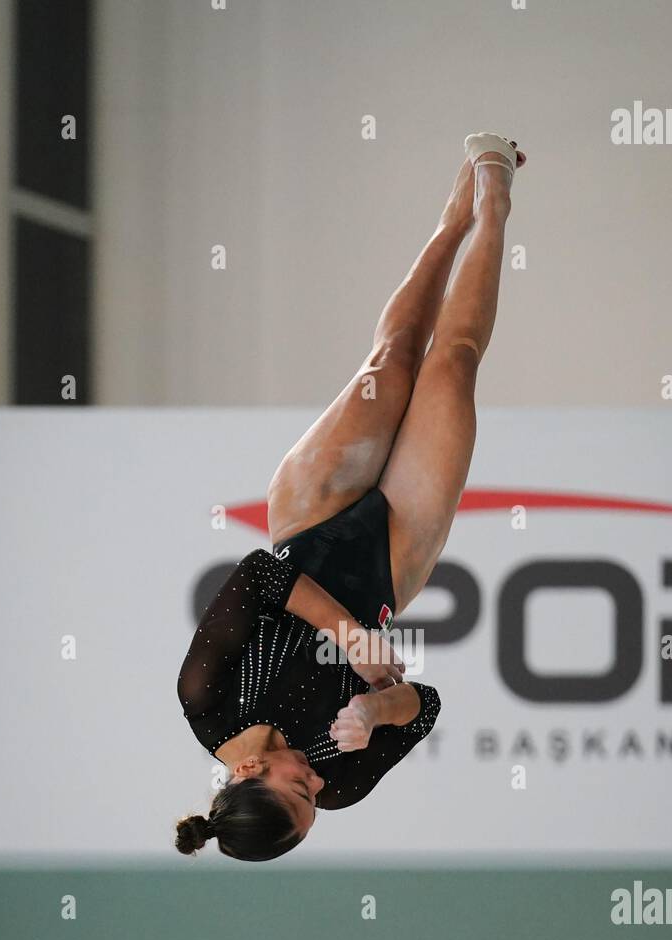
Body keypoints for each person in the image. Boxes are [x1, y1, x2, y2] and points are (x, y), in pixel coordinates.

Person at [175, 133, 526, 860]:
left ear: (244, 772)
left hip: (310, 517)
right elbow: (423, 709)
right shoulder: (344, 779)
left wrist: (353, 640)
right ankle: (496, 206)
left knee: (395, 356)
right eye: (314, 803)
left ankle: (454, 216)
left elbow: (260, 574)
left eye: (295, 787)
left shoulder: (204, 700)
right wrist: (377, 707)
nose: (313, 782)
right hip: (392, 561)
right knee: (452, 369)